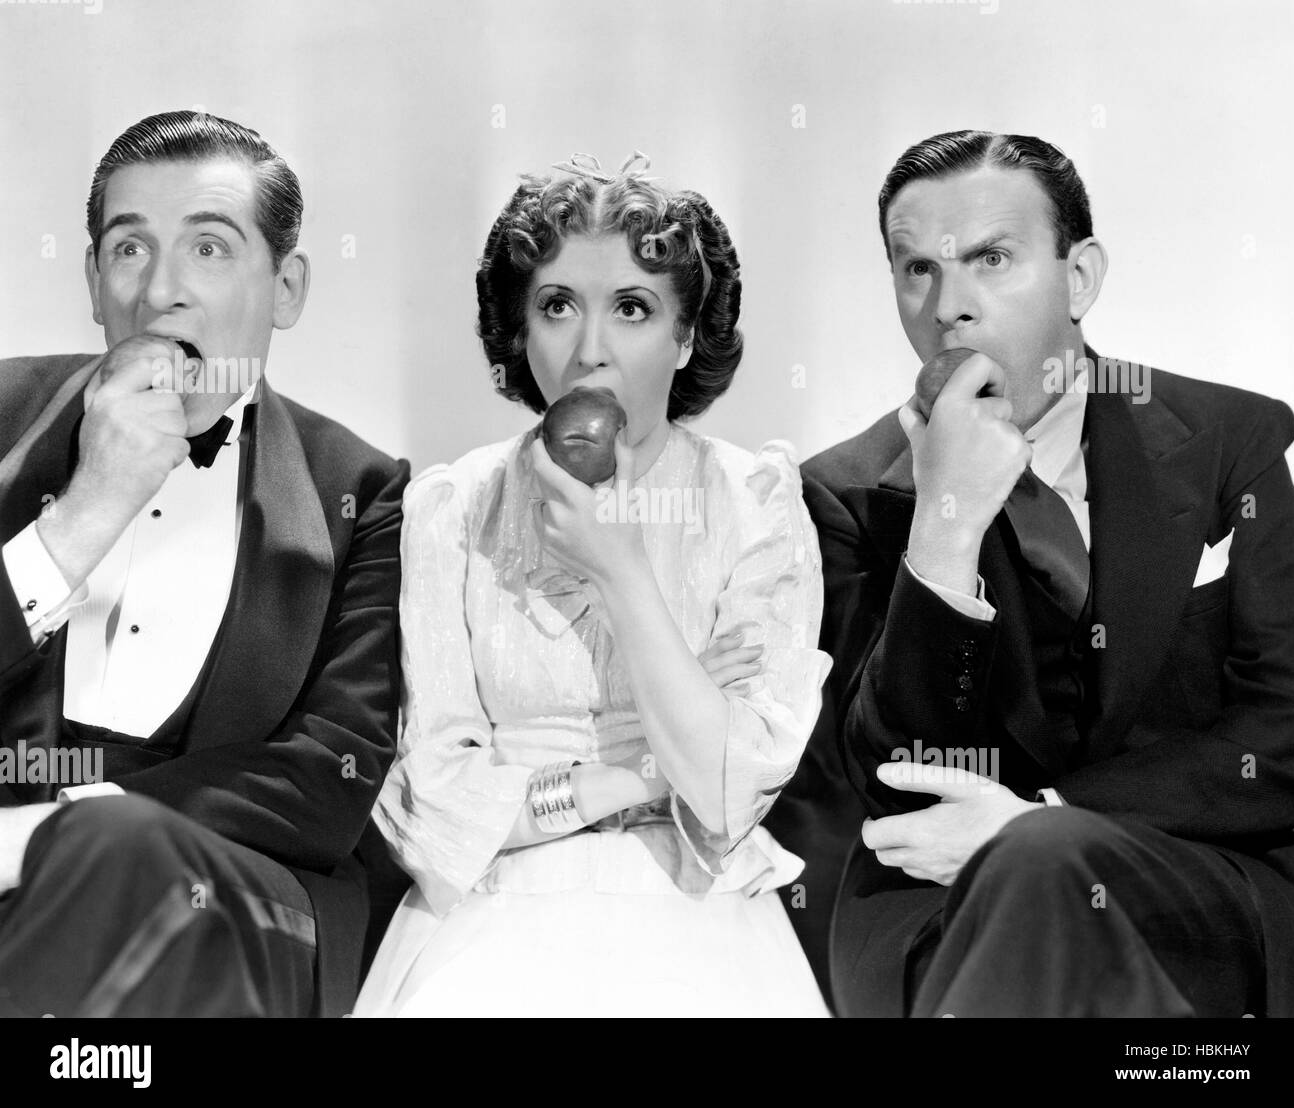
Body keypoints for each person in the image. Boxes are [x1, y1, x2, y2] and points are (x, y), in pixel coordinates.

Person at [800, 130, 1294, 1017]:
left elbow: (1287, 727)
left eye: (992, 257)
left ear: (1080, 277)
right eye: (917, 270)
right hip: (944, 899)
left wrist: (1044, 815)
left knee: (1041, 861)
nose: (949, 304)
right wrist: (945, 527)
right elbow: (890, 778)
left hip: (1193, 884)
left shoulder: (1233, 440)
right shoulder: (844, 492)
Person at [355, 154, 831, 1016]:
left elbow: (728, 793)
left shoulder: (756, 502)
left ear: (687, 338)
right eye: (557, 305)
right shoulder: (450, 509)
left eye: (633, 309)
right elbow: (431, 808)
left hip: (700, 906)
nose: (589, 351)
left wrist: (621, 572)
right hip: (489, 910)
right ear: (519, 333)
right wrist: (647, 774)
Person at [0, 110, 408, 1017]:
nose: (160, 293)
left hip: (235, 908)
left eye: (211, 249)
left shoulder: (366, 491)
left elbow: (327, 776)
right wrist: (86, 511)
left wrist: (56, 830)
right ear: (93, 283)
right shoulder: (1, 414)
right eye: (129, 249)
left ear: (287, 288)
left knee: (121, 867)